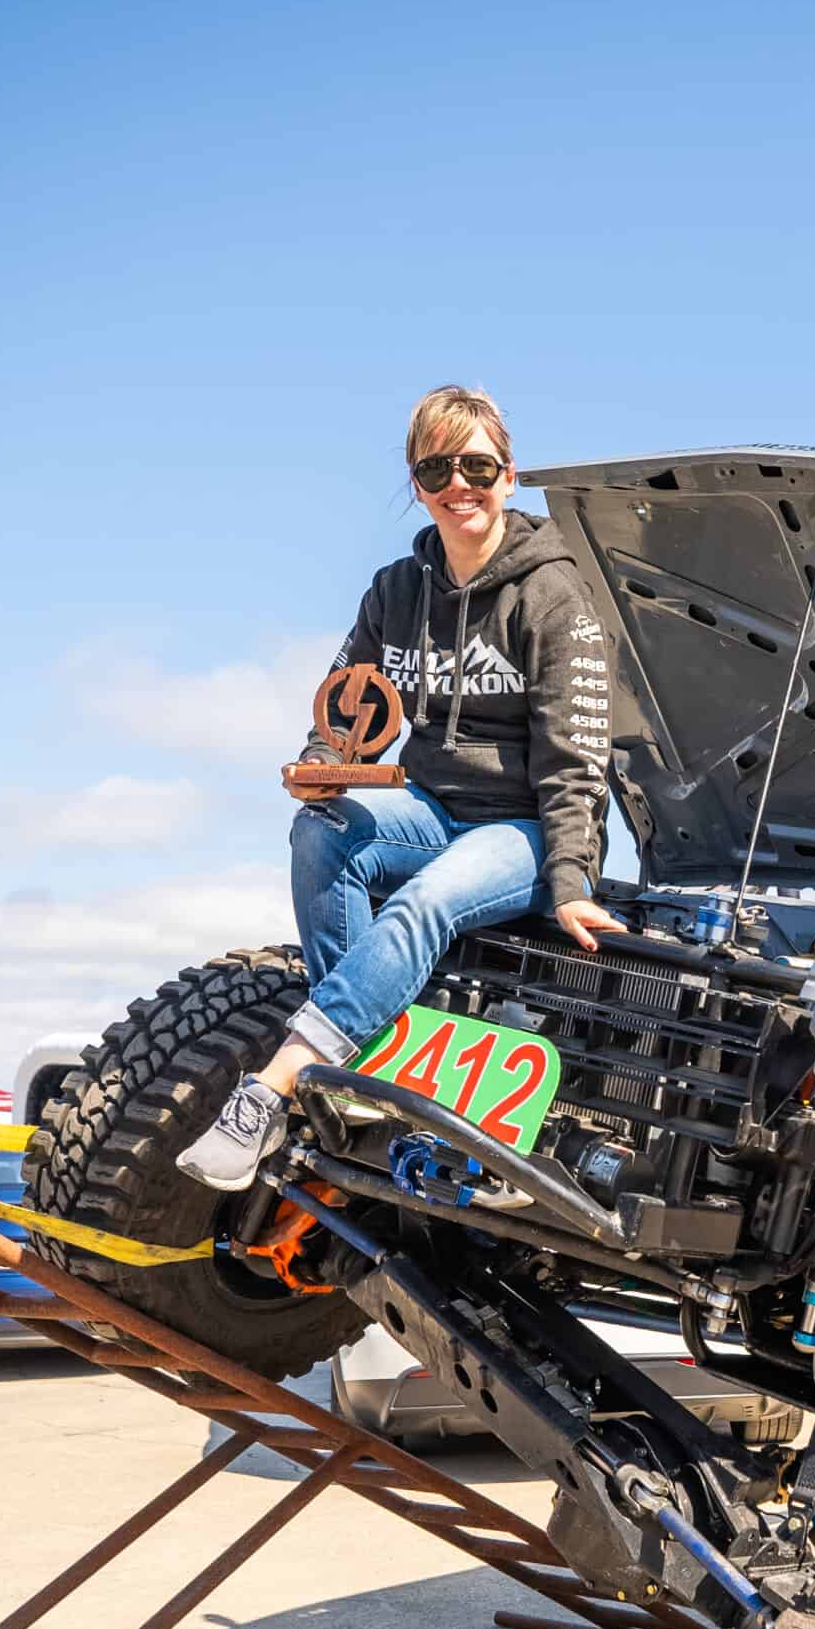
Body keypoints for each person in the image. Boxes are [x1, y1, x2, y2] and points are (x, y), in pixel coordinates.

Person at [178, 384, 626, 1191]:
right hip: (430, 806)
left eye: (479, 466)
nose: (462, 485)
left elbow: (576, 759)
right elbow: (348, 705)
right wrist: (324, 767)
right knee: (325, 832)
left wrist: (570, 880)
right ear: (418, 485)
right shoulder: (397, 591)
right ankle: (375, 1068)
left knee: (428, 901)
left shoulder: (556, 596)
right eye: (438, 469)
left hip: (520, 828)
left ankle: (274, 1086)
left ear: (510, 475)